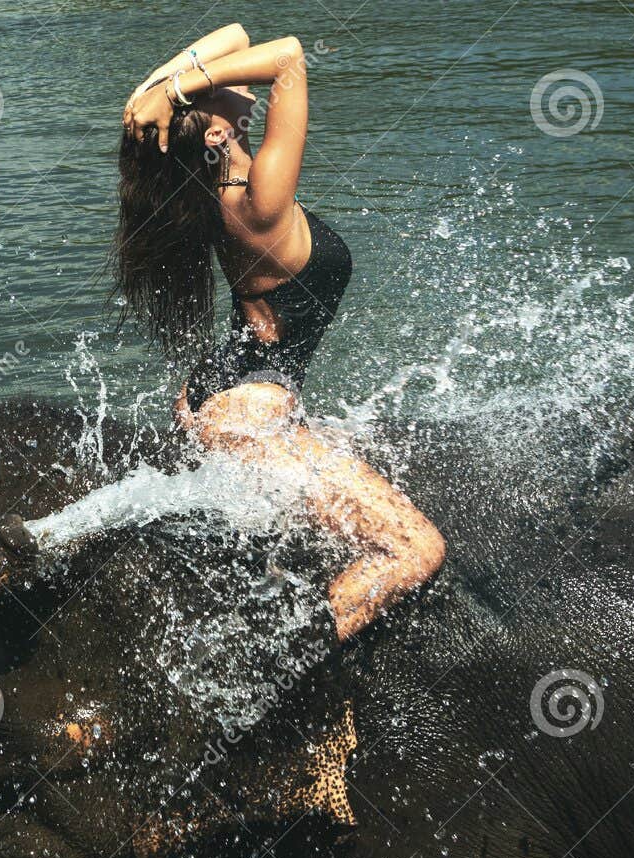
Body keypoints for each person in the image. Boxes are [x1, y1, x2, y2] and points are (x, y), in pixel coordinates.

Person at [115, 25, 445, 644]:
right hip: (246, 415)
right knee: (415, 550)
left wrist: (157, 94)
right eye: (223, 95)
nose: (239, 84)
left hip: (228, 391)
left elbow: (237, 32)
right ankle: (274, 680)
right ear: (216, 134)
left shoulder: (197, 187)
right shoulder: (260, 198)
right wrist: (176, 86)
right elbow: (289, 55)